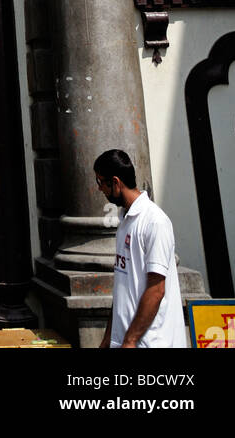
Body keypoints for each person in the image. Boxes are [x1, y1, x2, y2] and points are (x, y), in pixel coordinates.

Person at [94, 148, 186, 349]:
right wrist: (108, 339)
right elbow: (122, 288)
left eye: (101, 182)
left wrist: (130, 340)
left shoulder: (155, 221)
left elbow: (156, 289)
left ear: (116, 182)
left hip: (152, 342)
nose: (100, 189)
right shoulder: (125, 221)